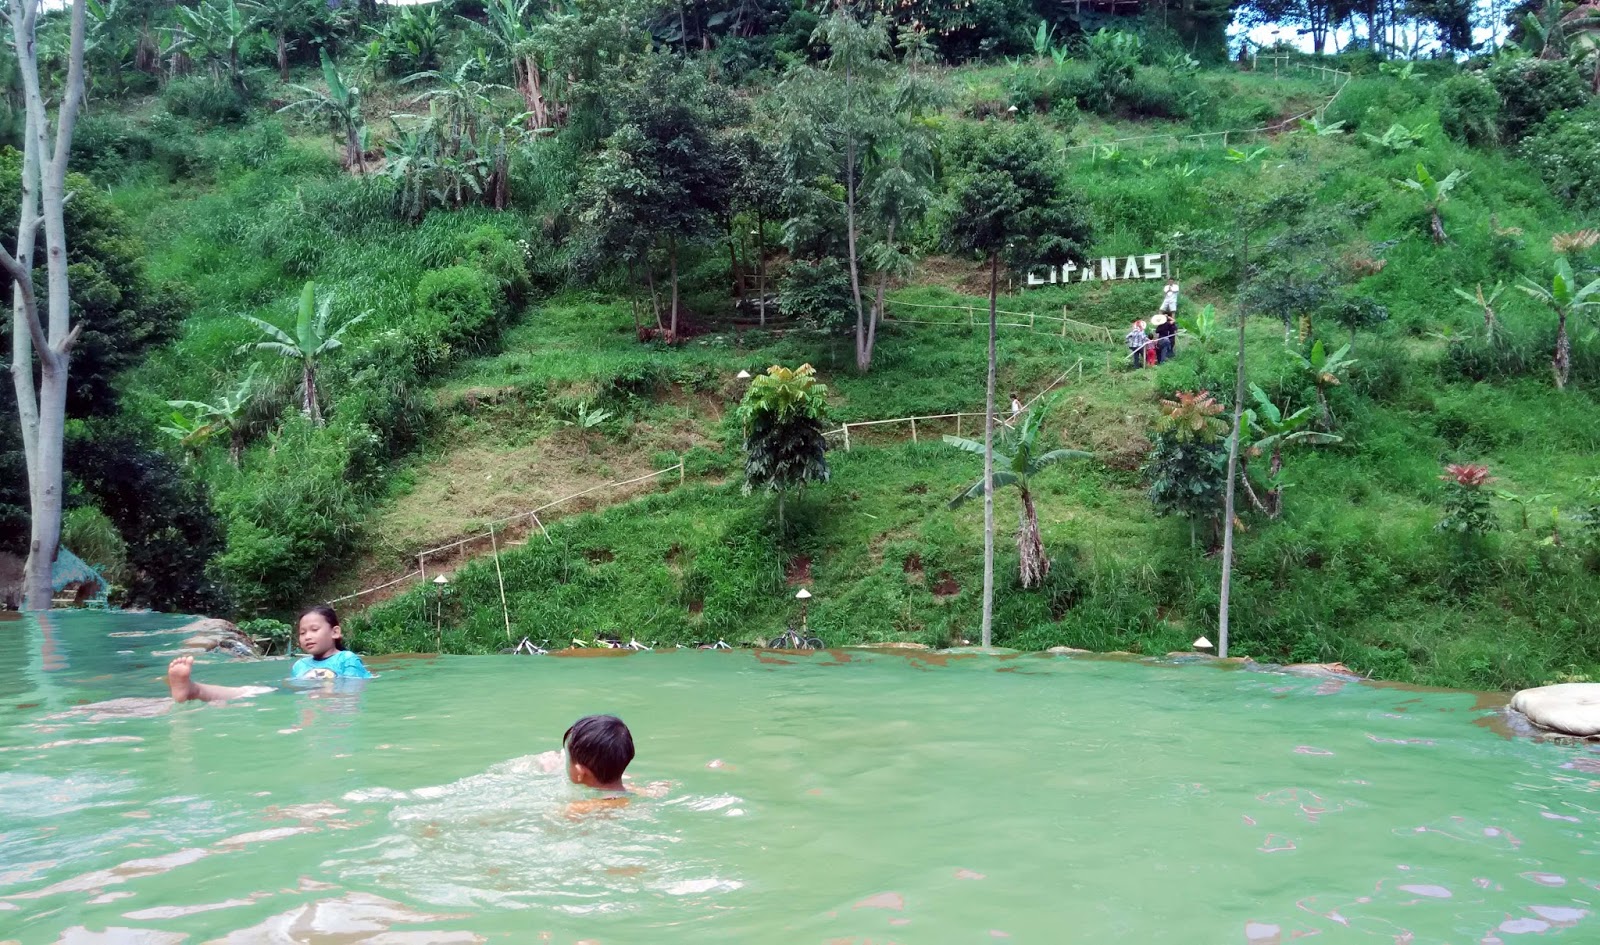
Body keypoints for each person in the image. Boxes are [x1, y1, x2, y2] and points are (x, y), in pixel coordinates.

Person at [166, 604, 372, 703]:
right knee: (249, 690)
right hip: (303, 698)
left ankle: (194, 691)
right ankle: (193, 690)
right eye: (302, 633)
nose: (307, 636)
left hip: (330, 703)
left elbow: (354, 690)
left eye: (314, 630)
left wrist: (326, 695)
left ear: (335, 632)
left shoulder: (347, 659)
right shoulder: (301, 665)